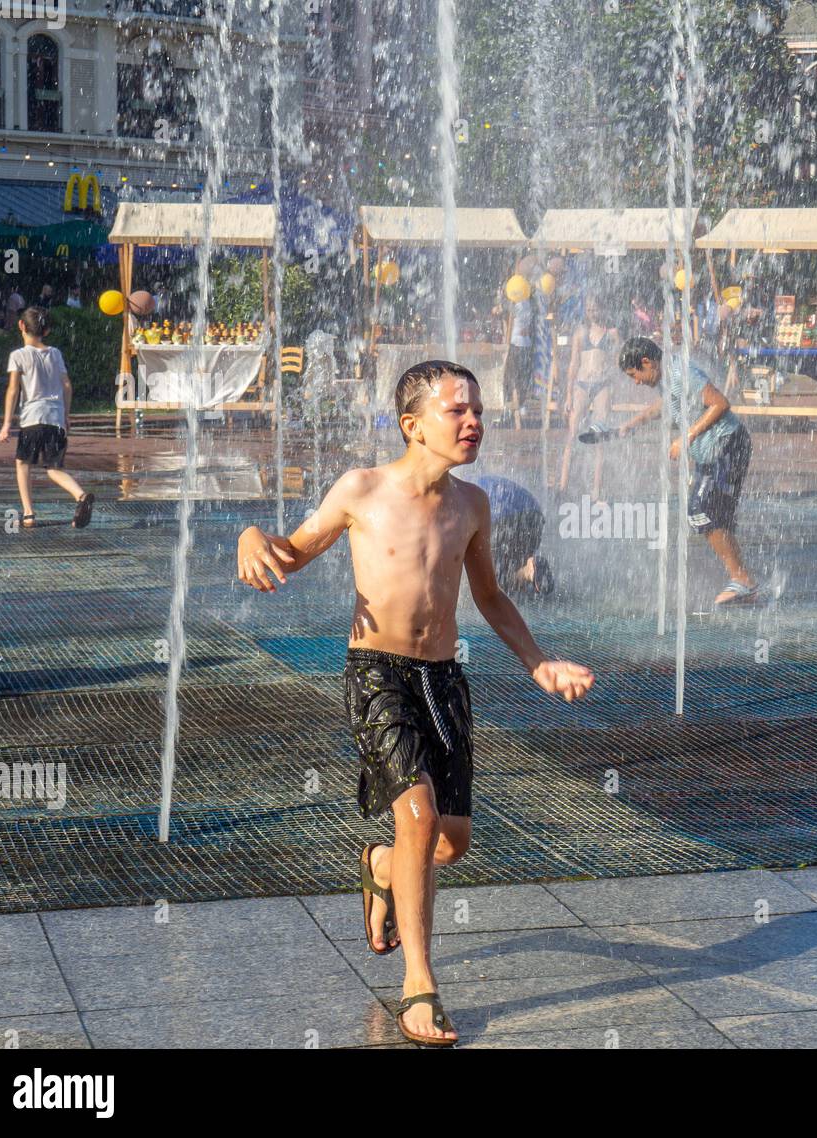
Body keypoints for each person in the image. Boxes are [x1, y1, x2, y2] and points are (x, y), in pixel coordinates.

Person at [235, 359, 592, 1047]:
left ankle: (378, 865)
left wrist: (539, 663)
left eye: (478, 409)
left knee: (449, 843)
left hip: (443, 680)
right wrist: (253, 539)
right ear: (412, 425)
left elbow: (489, 596)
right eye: (457, 410)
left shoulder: (474, 506)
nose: (473, 421)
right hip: (377, 676)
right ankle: (419, 986)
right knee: (419, 818)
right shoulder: (362, 490)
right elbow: (293, 549)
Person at [618, 337, 758, 606]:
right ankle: (745, 585)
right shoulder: (668, 376)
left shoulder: (681, 372)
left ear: (647, 362)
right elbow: (666, 405)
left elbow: (720, 402)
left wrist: (686, 437)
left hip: (729, 445)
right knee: (714, 513)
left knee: (701, 510)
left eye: (635, 375)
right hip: (716, 451)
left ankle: (743, 581)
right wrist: (634, 423)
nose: (636, 382)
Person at [0, 307, 94, 529]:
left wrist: (6, 424)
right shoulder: (55, 353)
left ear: (21, 326)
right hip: (55, 418)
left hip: (32, 418)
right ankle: (80, 495)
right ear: (47, 330)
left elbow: (13, 390)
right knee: (54, 468)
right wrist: (66, 415)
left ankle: (29, 513)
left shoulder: (18, 356)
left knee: (22, 463)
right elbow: (67, 385)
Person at [558, 294, 620, 499]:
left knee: (599, 437)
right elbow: (574, 364)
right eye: (589, 309)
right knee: (572, 434)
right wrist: (568, 395)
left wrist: (613, 387)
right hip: (582, 385)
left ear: (602, 309)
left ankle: (596, 490)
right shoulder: (580, 333)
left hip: (602, 385)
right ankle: (562, 486)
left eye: (595, 309)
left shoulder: (612, 334)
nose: (592, 313)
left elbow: (618, 362)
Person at [459, 473, 553, 596]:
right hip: (534, 516)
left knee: (490, 580)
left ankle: (527, 572)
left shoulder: (457, 491)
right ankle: (530, 565)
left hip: (502, 521)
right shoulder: (482, 480)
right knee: (512, 562)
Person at [502, 288, 535, 429]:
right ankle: (510, 405)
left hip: (523, 344)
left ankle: (518, 404)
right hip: (516, 344)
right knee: (512, 376)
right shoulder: (517, 304)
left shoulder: (528, 304)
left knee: (520, 376)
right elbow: (508, 321)